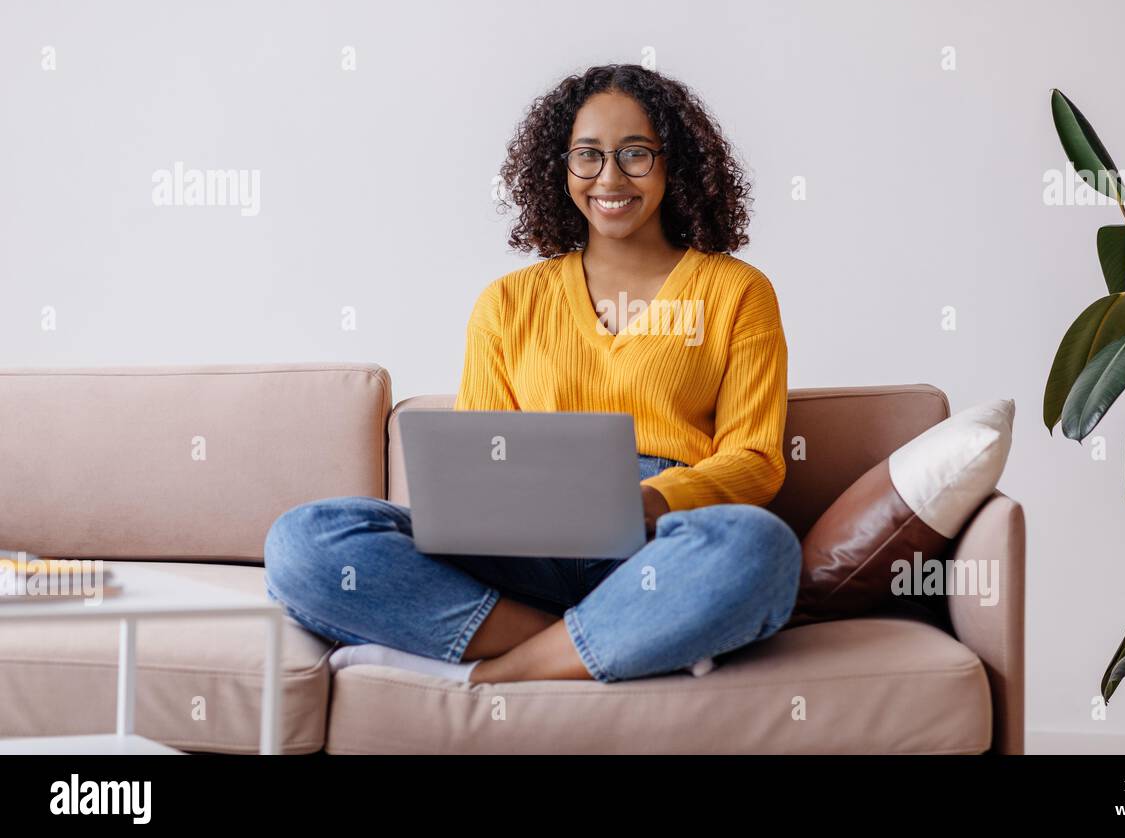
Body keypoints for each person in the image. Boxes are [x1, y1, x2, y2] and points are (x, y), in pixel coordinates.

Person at [263, 63, 801, 685]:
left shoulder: (737, 291)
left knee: (760, 548)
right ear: (559, 167)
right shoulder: (508, 301)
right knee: (305, 541)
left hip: (655, 544)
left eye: (635, 154)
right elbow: (481, 460)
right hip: (523, 549)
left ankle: (500, 669)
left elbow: (756, 459)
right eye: (587, 156)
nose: (610, 177)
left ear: (673, 162)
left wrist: (649, 499)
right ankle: (625, 635)